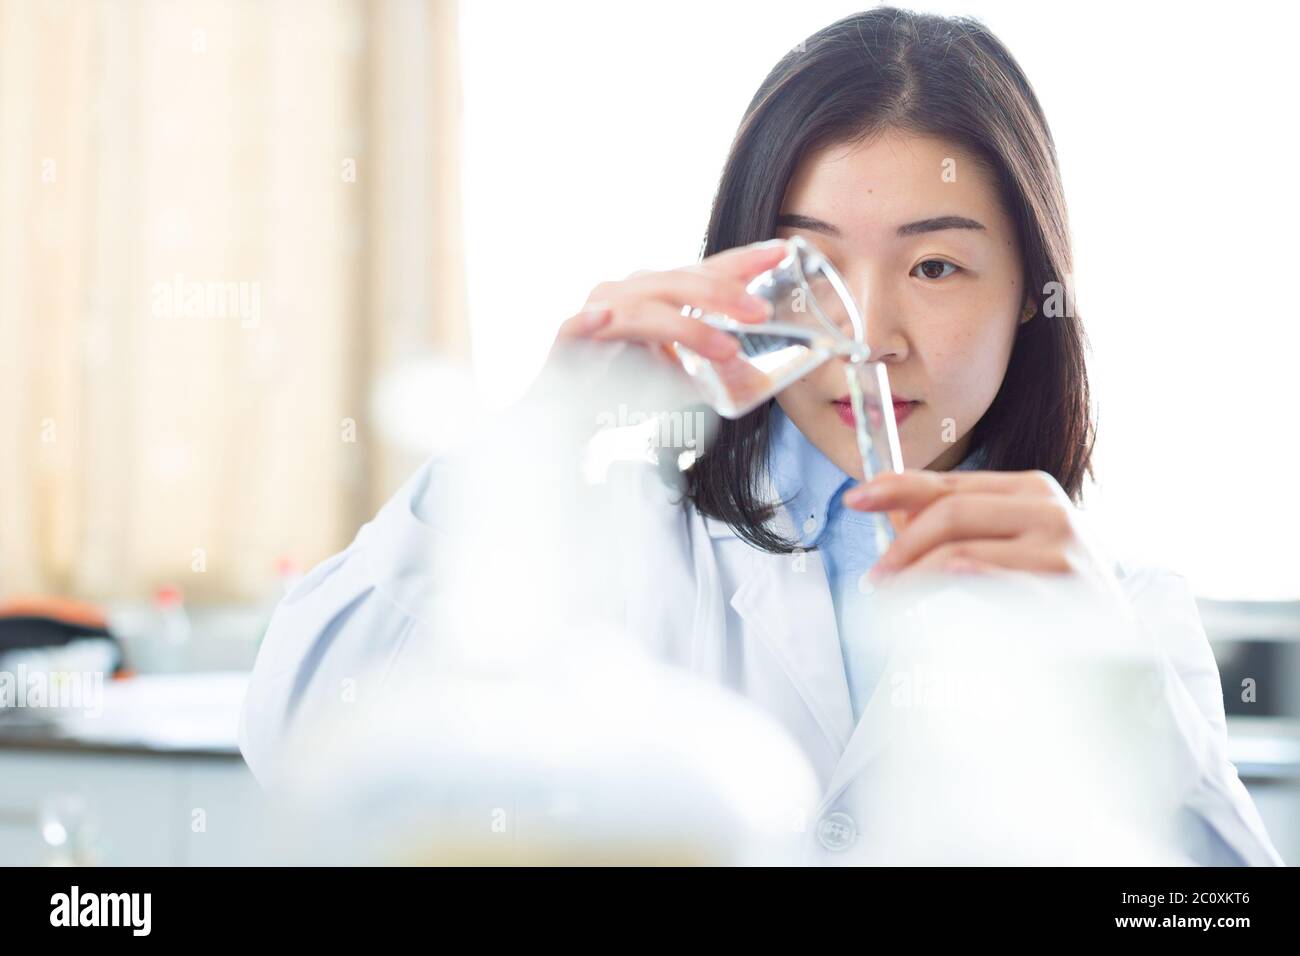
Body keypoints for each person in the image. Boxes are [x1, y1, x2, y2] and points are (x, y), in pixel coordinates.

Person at [239, 7, 1282, 865]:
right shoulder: (643, 552)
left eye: (934, 268)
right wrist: (534, 451)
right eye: (813, 267)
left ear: (1030, 297)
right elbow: (298, 737)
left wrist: (1109, 684)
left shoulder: (1122, 602)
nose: (867, 339)